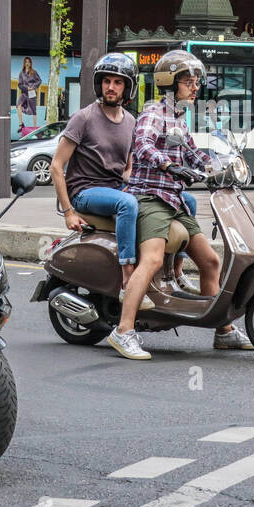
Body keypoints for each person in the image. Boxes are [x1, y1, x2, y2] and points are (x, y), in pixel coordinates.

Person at [112, 49, 253, 361]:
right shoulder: (153, 114)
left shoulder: (179, 120)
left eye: (196, 82)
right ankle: (123, 331)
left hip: (173, 201)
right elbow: (143, 145)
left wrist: (219, 166)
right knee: (149, 261)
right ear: (170, 83)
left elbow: (193, 154)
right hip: (149, 198)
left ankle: (224, 331)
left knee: (210, 261)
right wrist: (166, 165)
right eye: (189, 82)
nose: (195, 87)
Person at [51, 54, 154, 313]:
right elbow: (56, 166)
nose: (111, 87)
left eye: (118, 82)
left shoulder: (131, 122)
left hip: (115, 189)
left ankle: (171, 272)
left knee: (170, 200)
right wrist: (68, 212)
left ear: (127, 87)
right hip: (85, 192)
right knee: (127, 204)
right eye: (106, 81)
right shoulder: (83, 118)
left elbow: (127, 171)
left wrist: (150, 185)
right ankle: (128, 279)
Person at [17, 57, 41, 134]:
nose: (27, 63)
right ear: (24, 63)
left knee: (34, 110)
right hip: (24, 92)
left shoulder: (34, 72)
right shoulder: (21, 73)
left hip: (32, 93)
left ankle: (35, 128)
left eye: (29, 62)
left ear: (30, 63)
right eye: (26, 62)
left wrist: (33, 87)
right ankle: (21, 124)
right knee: (18, 105)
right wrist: (26, 88)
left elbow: (39, 81)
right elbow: (19, 84)